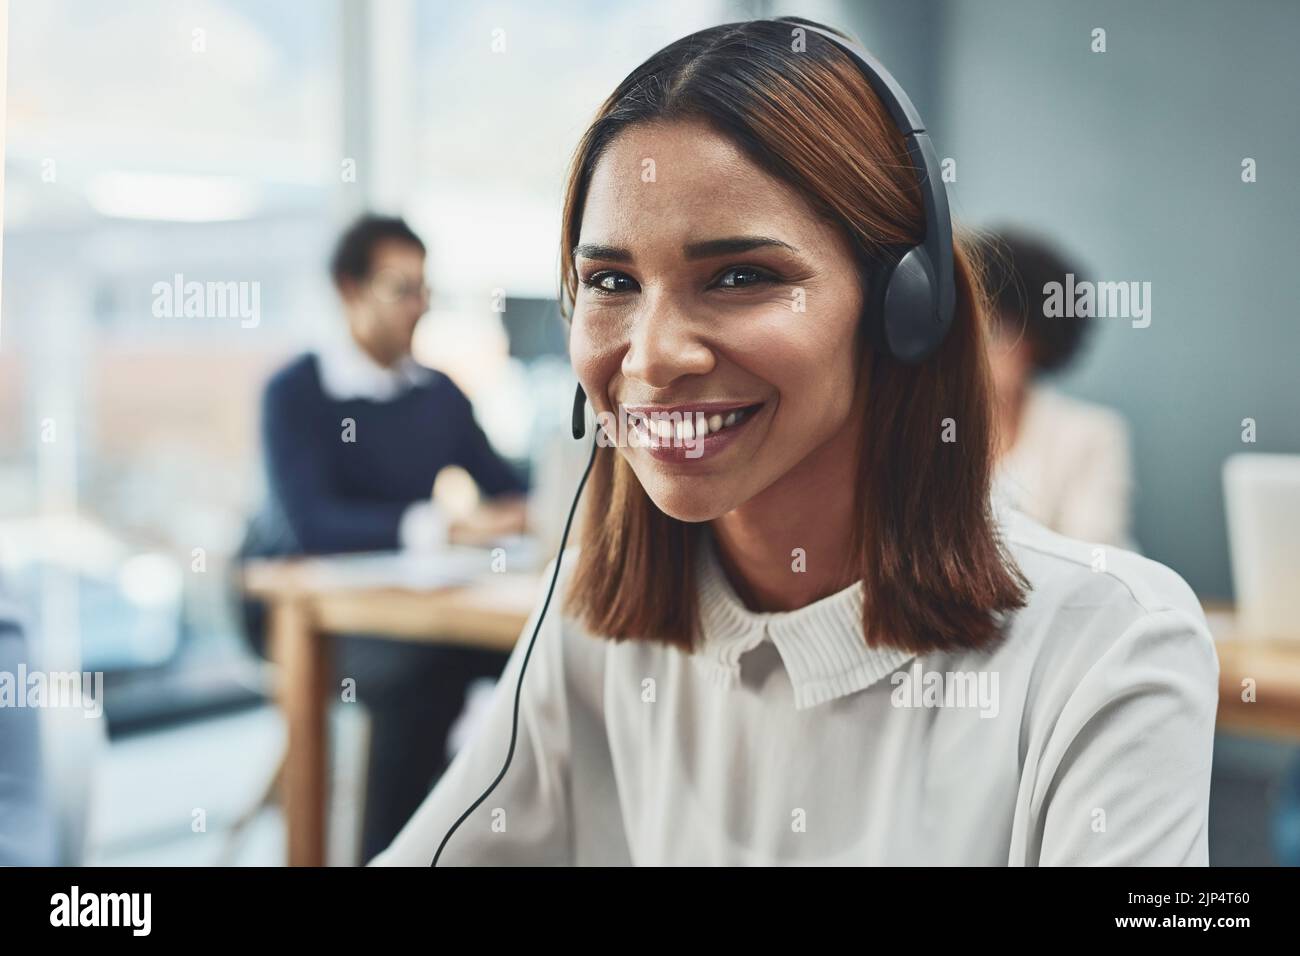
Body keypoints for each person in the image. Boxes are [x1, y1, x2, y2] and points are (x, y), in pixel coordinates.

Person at [372, 17, 1217, 866]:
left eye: (742, 277)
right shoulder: (590, 620)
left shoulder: (1113, 647)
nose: (655, 356)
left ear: (905, 309)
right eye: (611, 282)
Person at [241, 214, 528, 863]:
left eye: (425, 290)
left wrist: (529, 507)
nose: (418, 308)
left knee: (536, 655)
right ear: (350, 289)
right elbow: (312, 524)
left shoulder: (436, 394)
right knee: (422, 677)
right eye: (402, 290)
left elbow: (510, 485)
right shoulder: (297, 393)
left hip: (411, 606)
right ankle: (389, 854)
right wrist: (442, 525)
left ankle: (486, 835)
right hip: (301, 613)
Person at [976, 229, 1137, 550]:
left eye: (996, 329)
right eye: (971, 327)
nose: (979, 347)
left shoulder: (1093, 435)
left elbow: (1092, 556)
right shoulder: (933, 431)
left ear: (1036, 342)